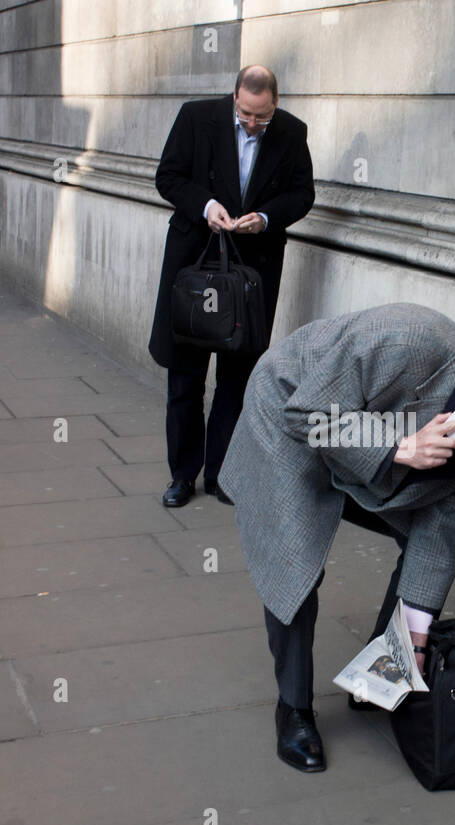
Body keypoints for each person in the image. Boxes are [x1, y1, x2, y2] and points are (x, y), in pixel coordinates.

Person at [217, 303, 455, 772]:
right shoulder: (403, 340)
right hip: (293, 415)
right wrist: (401, 447)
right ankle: (293, 709)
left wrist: (410, 648)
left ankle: (375, 671)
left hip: (368, 444)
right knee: (295, 563)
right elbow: (309, 415)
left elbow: (436, 549)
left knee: (435, 541)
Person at [148, 65, 315, 509]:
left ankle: (223, 473)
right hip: (193, 268)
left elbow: (302, 195)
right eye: (244, 114)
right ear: (233, 97)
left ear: (275, 104)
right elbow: (168, 177)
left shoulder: (292, 133)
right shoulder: (195, 117)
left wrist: (264, 218)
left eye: (261, 117)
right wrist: (206, 206)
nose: (252, 124)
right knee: (184, 375)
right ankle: (182, 475)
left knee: (236, 379)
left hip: (251, 274)